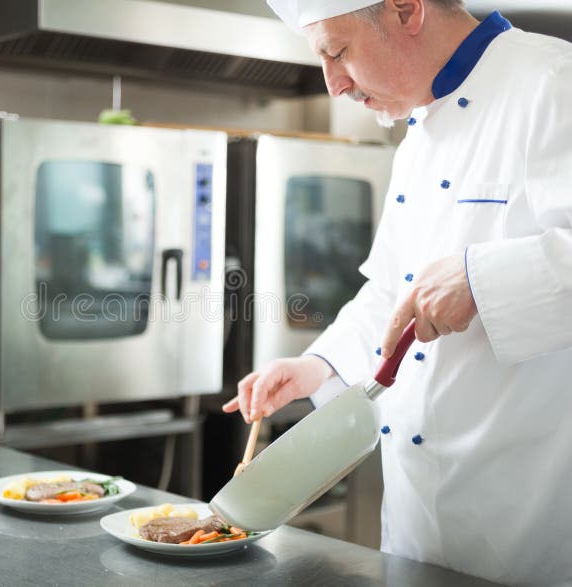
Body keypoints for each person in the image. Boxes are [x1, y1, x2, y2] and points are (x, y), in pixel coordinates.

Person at [222, 0, 572, 585]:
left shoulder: (552, 84)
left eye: (338, 52)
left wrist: (481, 281)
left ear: (408, 10)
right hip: (413, 534)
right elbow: (393, 291)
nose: (333, 85)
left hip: (528, 535)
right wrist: (317, 365)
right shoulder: (417, 133)